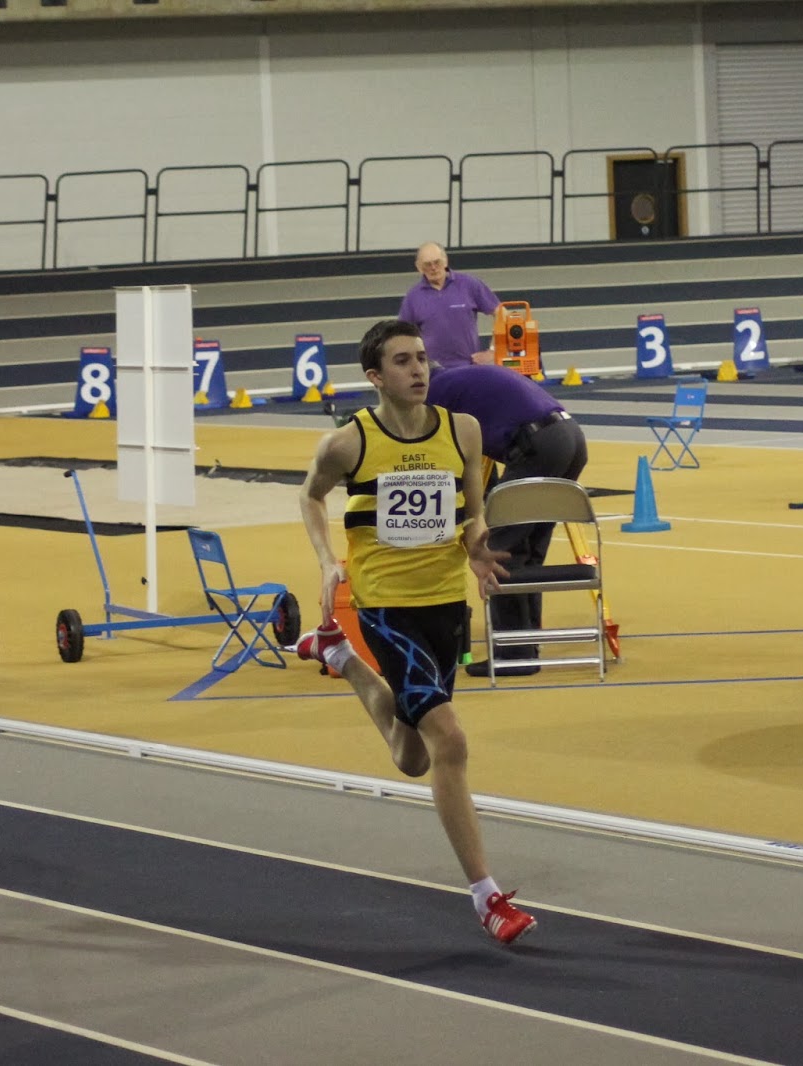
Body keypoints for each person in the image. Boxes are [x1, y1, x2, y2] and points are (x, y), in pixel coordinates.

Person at [294, 319, 536, 946]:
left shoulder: (463, 431)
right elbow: (311, 497)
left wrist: (477, 547)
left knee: (414, 757)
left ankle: (339, 656)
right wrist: (326, 560)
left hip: (445, 604)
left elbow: (473, 511)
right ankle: (487, 897)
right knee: (449, 740)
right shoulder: (348, 443)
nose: (419, 369)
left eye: (422, 358)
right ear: (375, 376)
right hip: (386, 607)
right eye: (402, 361)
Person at [425, 364, 589, 677]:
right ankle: (526, 643)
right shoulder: (464, 380)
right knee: (526, 551)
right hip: (569, 438)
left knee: (497, 550)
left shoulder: (435, 393)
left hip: (537, 445)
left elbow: (448, 459)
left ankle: (514, 653)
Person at [396, 241, 501, 370]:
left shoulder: (469, 284)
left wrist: (492, 350)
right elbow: (401, 335)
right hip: (432, 372)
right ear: (419, 267)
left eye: (437, 262)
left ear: (445, 261)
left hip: (468, 368)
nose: (433, 268)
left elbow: (501, 313)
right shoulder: (413, 297)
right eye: (427, 264)